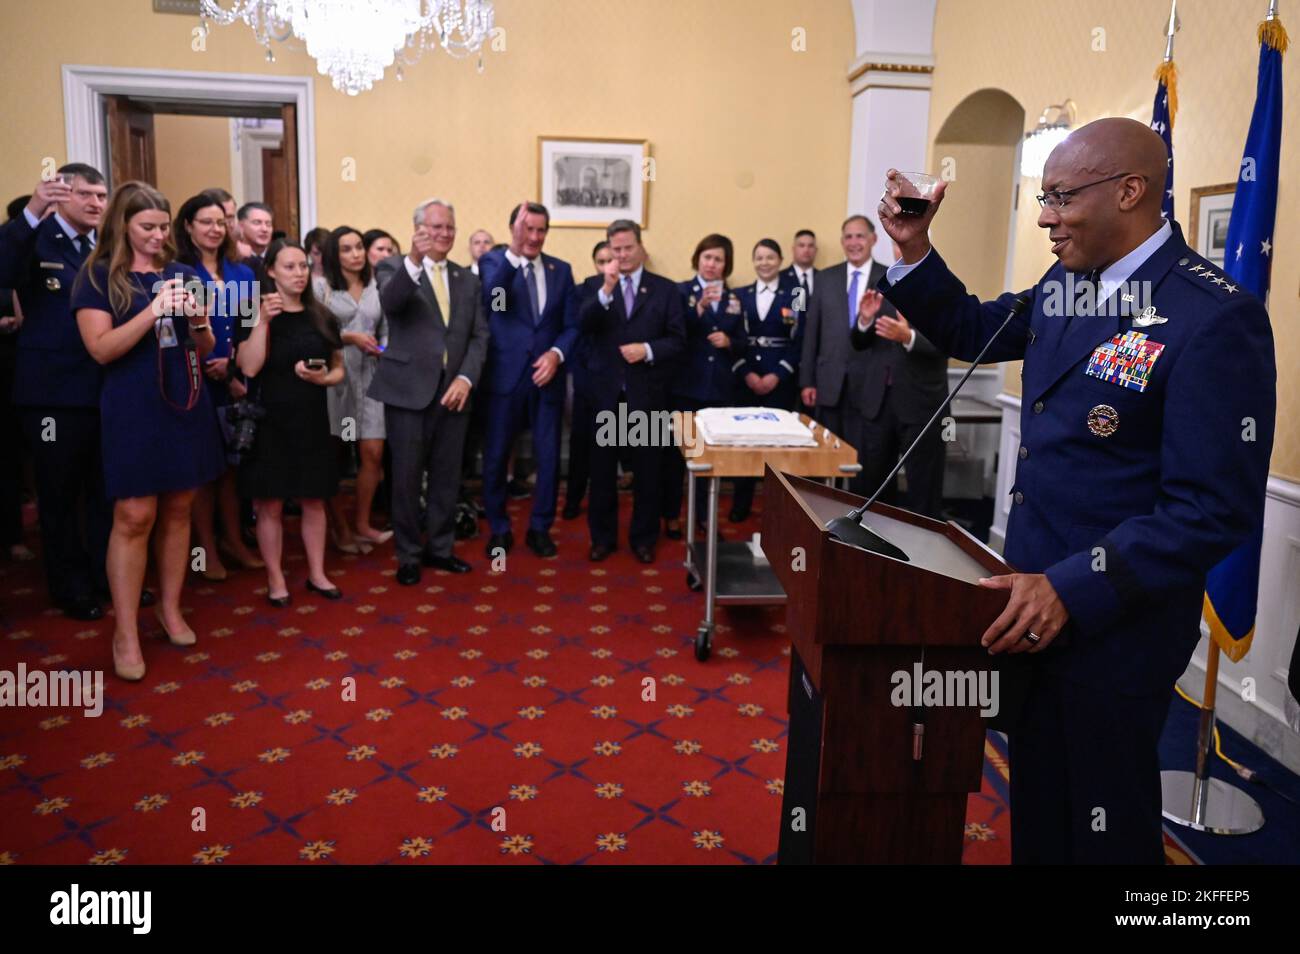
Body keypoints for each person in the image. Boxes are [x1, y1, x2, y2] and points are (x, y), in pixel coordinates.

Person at [874, 117, 1276, 864]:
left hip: (1111, 626)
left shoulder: (1215, 317)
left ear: (1129, 191)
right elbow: (976, 327)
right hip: (1029, 607)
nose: (1045, 216)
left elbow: (1211, 510)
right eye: (1043, 196)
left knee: (1103, 826)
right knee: (1042, 812)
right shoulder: (1068, 282)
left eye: (1060, 197)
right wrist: (914, 250)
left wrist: (1070, 588)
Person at [71, 181, 225, 681]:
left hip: (185, 398)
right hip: (132, 404)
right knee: (135, 514)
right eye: (148, 227)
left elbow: (202, 349)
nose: (159, 236)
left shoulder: (182, 273)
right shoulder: (97, 277)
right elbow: (100, 349)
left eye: (163, 227)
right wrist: (152, 311)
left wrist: (200, 322)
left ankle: (171, 607)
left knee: (180, 506)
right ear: (123, 225)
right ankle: (126, 631)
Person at [0, 164, 114, 619]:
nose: (96, 204)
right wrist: (31, 211)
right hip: (52, 397)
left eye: (102, 196)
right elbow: (3, 269)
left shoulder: (105, 248)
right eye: (85, 194)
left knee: (104, 492)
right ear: (61, 195)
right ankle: (70, 586)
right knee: (60, 493)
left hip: (102, 390)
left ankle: (107, 578)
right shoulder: (36, 238)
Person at [369, 198, 488, 585]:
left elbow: (478, 335)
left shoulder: (467, 278)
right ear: (418, 229)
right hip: (408, 391)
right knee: (404, 477)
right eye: (435, 227)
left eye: (449, 227)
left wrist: (465, 379)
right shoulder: (392, 267)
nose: (444, 234)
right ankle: (408, 554)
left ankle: (441, 548)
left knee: (447, 476)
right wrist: (414, 261)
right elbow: (391, 302)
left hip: (454, 393)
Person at [235, 240, 346, 607]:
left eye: (303, 266)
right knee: (270, 505)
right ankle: (276, 577)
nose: (299, 274)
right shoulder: (252, 310)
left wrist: (323, 379)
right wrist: (264, 321)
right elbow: (248, 367)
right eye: (289, 267)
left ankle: (316, 573)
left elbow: (338, 370)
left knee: (314, 498)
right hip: (269, 419)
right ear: (270, 271)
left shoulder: (322, 315)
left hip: (311, 418)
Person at [476, 201, 579, 559]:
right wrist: (514, 253)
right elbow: (495, 303)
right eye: (527, 229)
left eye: (540, 230)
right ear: (514, 230)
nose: (534, 237)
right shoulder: (493, 262)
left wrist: (556, 354)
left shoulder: (561, 270)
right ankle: (499, 529)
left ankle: (540, 528)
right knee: (496, 456)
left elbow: (571, 326)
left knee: (548, 457)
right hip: (504, 377)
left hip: (547, 376)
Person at [580, 219, 686, 564]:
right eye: (616, 249)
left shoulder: (666, 290)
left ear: (640, 247)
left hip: (647, 395)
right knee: (602, 473)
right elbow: (583, 325)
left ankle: (643, 538)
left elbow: (678, 340)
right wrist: (606, 290)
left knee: (648, 472)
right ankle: (603, 538)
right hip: (606, 396)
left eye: (628, 248)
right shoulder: (594, 285)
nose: (622, 255)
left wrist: (648, 349)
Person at [172, 190, 264, 579]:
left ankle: (234, 542)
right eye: (205, 222)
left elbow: (245, 329)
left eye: (220, 221)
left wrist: (233, 370)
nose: (215, 229)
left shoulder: (241, 273)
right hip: (193, 383)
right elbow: (181, 331)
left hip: (231, 382)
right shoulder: (178, 271)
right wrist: (211, 364)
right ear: (189, 226)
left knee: (230, 471)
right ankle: (204, 550)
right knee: (202, 472)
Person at [800, 215, 921, 496]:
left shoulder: (890, 278)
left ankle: (860, 523)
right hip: (829, 384)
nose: (854, 243)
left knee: (867, 465)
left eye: (860, 236)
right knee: (825, 461)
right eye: (848, 237)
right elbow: (811, 332)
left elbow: (898, 331)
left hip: (873, 386)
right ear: (842, 242)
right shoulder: (824, 278)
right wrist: (807, 380)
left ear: (873, 240)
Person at [840, 233, 950, 517]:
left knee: (922, 490)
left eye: (907, 243)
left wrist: (909, 337)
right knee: (872, 486)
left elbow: (951, 343)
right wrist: (864, 321)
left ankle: (920, 555)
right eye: (896, 244)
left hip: (921, 406)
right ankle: (875, 549)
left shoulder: (941, 286)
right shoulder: (883, 283)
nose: (900, 249)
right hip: (878, 402)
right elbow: (860, 343)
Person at [315, 225, 391, 547]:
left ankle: (361, 523)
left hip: (373, 379)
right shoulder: (321, 289)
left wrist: (384, 348)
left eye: (359, 247)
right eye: (346, 249)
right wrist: (350, 337)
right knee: (334, 456)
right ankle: (339, 526)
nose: (356, 254)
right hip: (337, 381)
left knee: (372, 452)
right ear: (335, 254)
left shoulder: (378, 285)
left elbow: (387, 328)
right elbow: (315, 331)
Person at [665, 234, 744, 535]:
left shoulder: (734, 298)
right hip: (685, 386)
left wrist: (730, 342)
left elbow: (744, 343)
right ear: (698, 258)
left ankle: (703, 516)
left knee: (710, 457)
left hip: (719, 389)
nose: (712, 264)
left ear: (727, 265)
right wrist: (698, 309)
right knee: (677, 456)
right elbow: (674, 332)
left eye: (719, 259)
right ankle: (671, 515)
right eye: (707, 257)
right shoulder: (680, 291)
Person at [729, 238, 803, 521]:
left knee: (778, 446)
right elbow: (732, 341)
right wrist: (745, 372)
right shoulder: (739, 294)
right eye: (759, 257)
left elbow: (802, 339)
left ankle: (777, 507)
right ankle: (740, 503)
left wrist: (779, 373)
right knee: (744, 443)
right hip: (745, 377)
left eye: (770, 257)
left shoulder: (796, 292)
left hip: (779, 379)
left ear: (781, 260)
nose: (764, 262)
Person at [561, 240, 613, 520]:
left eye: (610, 260)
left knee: (613, 444)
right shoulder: (582, 290)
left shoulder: (629, 292)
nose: (606, 266)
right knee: (580, 443)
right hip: (586, 376)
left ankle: (606, 501)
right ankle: (573, 498)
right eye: (601, 261)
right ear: (595, 263)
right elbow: (576, 327)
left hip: (619, 381)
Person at [238, 201, 274, 276]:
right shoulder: (233, 259)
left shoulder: (277, 258)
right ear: (241, 226)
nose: (264, 229)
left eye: (268, 224)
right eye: (257, 223)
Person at [784, 228, 818, 298]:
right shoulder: (780, 278)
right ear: (793, 249)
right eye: (801, 245)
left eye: (810, 246)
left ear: (816, 250)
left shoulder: (823, 278)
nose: (806, 250)